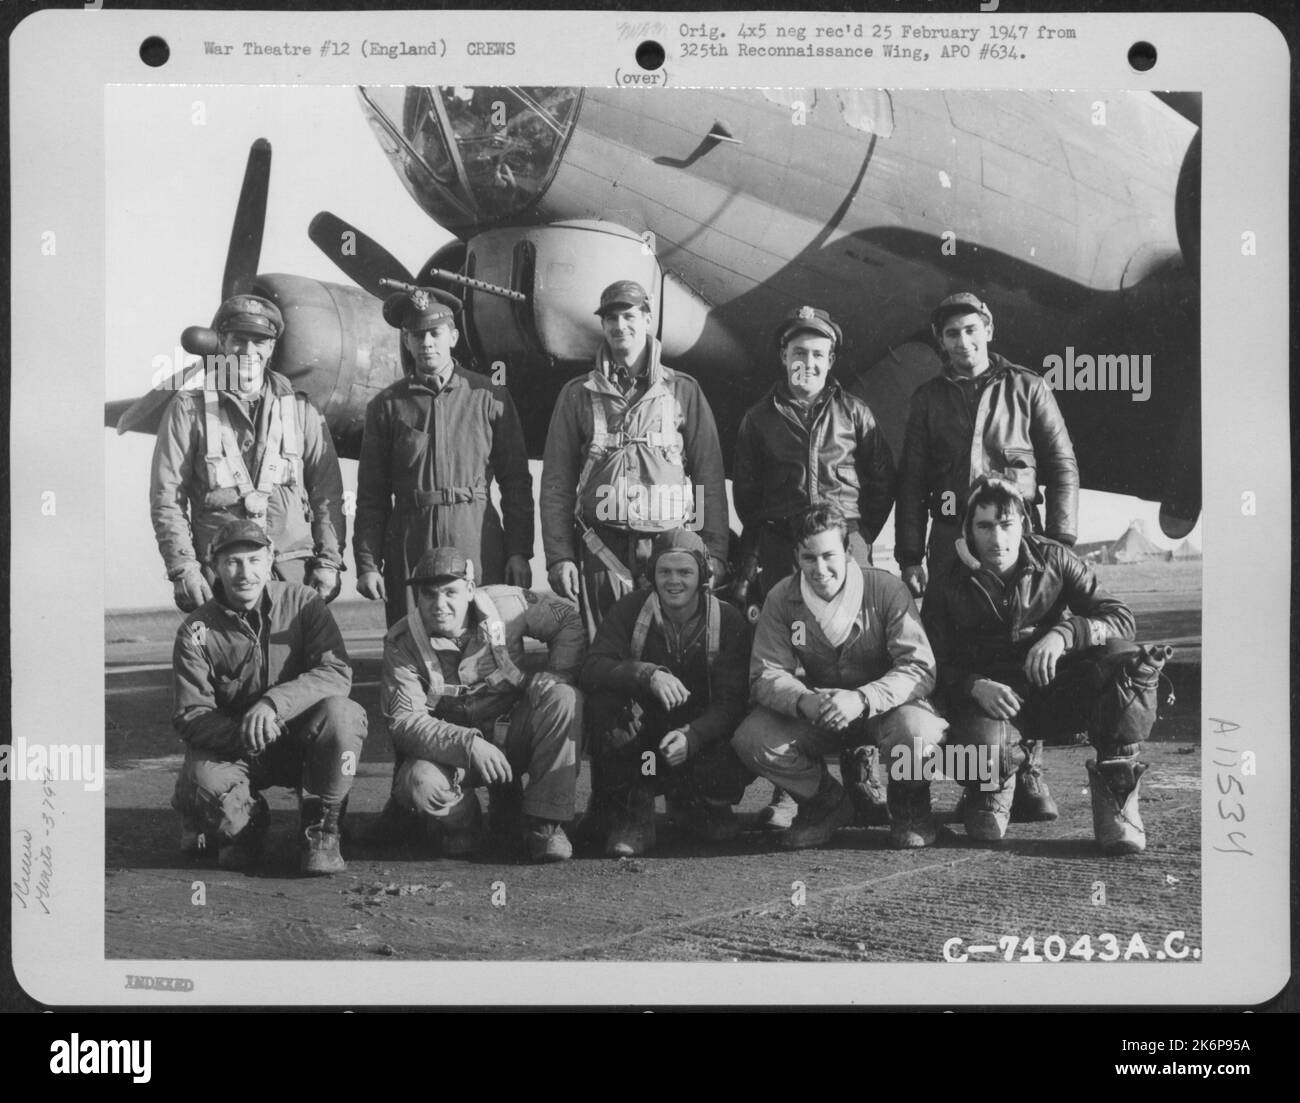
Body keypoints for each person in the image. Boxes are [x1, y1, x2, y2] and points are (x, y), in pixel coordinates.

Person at [895, 291, 1080, 817]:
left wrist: (1058, 547)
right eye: (952, 334)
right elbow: (911, 482)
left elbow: (1062, 465)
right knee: (953, 648)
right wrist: (911, 555)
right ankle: (979, 769)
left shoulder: (1028, 387)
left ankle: (1029, 769)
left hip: (1019, 540)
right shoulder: (928, 398)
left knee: (1026, 640)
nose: (963, 342)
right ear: (942, 342)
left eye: (971, 330)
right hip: (951, 537)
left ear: (989, 329)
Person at [921, 477, 1166, 853]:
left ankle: (1118, 794)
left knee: (1127, 662)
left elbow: (1120, 619)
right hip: (992, 702)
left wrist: (1068, 633)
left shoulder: (1055, 560)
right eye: (984, 526)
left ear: (1023, 524)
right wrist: (973, 685)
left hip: (1053, 688)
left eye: (1006, 525)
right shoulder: (946, 581)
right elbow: (932, 662)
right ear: (969, 530)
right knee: (979, 784)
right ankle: (990, 786)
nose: (997, 539)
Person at [732, 304, 896, 831]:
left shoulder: (857, 414)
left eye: (818, 353)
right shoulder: (757, 419)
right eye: (798, 352)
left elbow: (880, 482)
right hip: (784, 551)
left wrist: (857, 537)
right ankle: (792, 790)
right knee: (793, 662)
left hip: (846, 549)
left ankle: (863, 767)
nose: (808, 361)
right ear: (783, 356)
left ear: (831, 360)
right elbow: (748, 496)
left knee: (858, 655)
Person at [732, 504, 948, 850]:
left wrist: (862, 698)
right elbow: (766, 673)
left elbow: (919, 667)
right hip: (821, 712)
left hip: (884, 711)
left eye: (829, 555)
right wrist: (805, 700)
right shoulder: (781, 599)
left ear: (848, 552)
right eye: (809, 558)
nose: (819, 569)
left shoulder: (886, 590)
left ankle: (910, 805)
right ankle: (826, 804)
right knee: (753, 738)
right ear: (796, 557)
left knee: (920, 732)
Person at [169, 520, 367, 875]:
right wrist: (247, 732)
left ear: (270, 558)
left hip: (299, 741)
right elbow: (191, 713)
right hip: (238, 749)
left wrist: (274, 704)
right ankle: (248, 823)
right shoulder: (196, 632)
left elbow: (335, 673)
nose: (245, 573)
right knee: (202, 781)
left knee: (344, 717)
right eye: (233, 562)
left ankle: (321, 829)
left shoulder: (304, 602)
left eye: (254, 560)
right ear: (213, 566)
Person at [540, 280, 729, 639]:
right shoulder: (577, 394)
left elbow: (708, 479)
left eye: (629, 316)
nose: (619, 326)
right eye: (610, 318)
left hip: (669, 551)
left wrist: (713, 550)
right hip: (601, 551)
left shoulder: (683, 391)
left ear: (647, 319)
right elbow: (556, 484)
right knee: (607, 657)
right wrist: (559, 555)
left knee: (671, 658)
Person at [379, 547, 586, 863]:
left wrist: (557, 671)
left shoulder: (509, 604)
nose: (439, 605)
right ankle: (466, 824)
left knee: (564, 698)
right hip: (455, 753)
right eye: (428, 595)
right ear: (417, 598)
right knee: (420, 781)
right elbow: (405, 722)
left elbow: (567, 619)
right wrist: (469, 744)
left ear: (471, 589)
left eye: (451, 592)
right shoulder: (402, 643)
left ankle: (544, 823)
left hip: (512, 732)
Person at [150, 293, 346, 612]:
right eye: (239, 340)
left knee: (298, 659)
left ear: (271, 348)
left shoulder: (302, 410)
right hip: (221, 573)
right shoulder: (188, 409)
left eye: (260, 341)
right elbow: (167, 496)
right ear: (223, 343)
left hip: (293, 571)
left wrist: (329, 561)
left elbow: (327, 493)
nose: (248, 351)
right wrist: (183, 567)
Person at [355, 286, 533, 627]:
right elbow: (371, 496)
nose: (426, 343)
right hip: (411, 541)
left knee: (485, 639)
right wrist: (367, 563)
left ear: (452, 336)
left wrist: (518, 551)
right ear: (406, 341)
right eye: (416, 335)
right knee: (413, 642)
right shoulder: (386, 407)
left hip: (477, 538)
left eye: (435, 333)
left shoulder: (490, 397)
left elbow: (516, 483)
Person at [580, 529, 753, 858]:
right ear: (652, 575)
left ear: (702, 575)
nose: (674, 581)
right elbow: (592, 667)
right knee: (605, 703)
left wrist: (694, 735)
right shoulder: (630, 610)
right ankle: (635, 809)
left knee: (736, 741)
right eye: (665, 572)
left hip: (700, 738)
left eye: (685, 572)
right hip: (647, 744)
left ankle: (699, 805)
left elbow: (733, 701)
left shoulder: (727, 619)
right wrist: (647, 674)